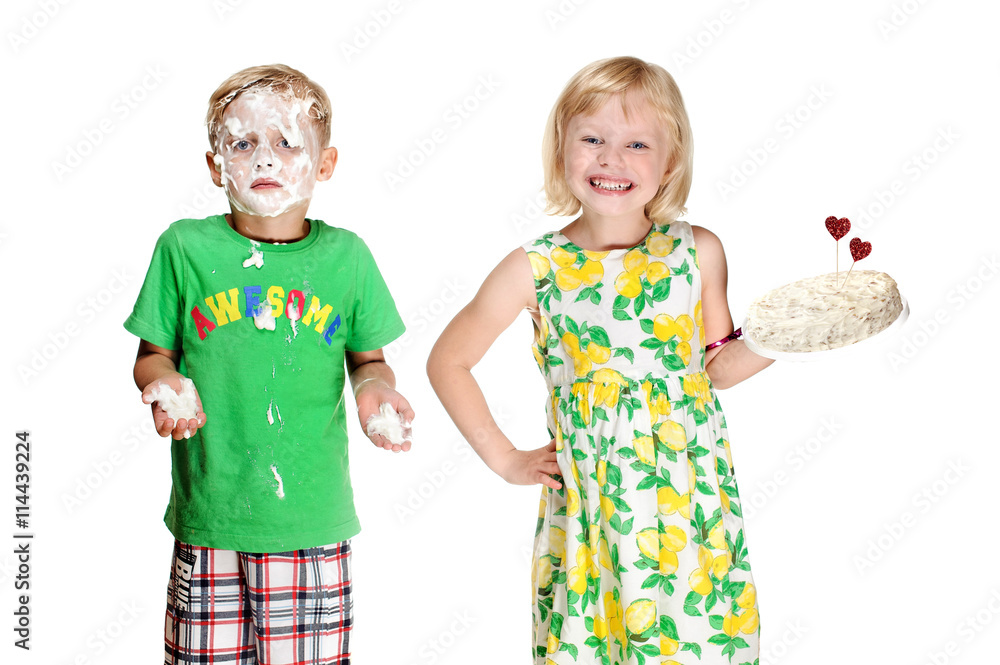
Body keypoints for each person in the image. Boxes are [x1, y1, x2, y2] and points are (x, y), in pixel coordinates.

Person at [427, 56, 773, 664]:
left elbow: (716, 368)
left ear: (670, 162)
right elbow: (449, 360)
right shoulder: (535, 269)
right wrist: (505, 458)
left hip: (689, 507)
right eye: (591, 139)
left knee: (699, 642)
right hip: (591, 509)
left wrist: (786, 339)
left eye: (636, 143)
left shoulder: (697, 251)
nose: (611, 159)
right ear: (561, 147)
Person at [124, 64, 413, 665]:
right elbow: (152, 356)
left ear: (325, 163)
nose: (265, 159)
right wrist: (163, 383)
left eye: (287, 143)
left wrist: (375, 394)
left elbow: (370, 362)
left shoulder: (346, 258)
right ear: (214, 165)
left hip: (310, 521)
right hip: (212, 515)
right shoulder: (184, 248)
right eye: (243, 143)